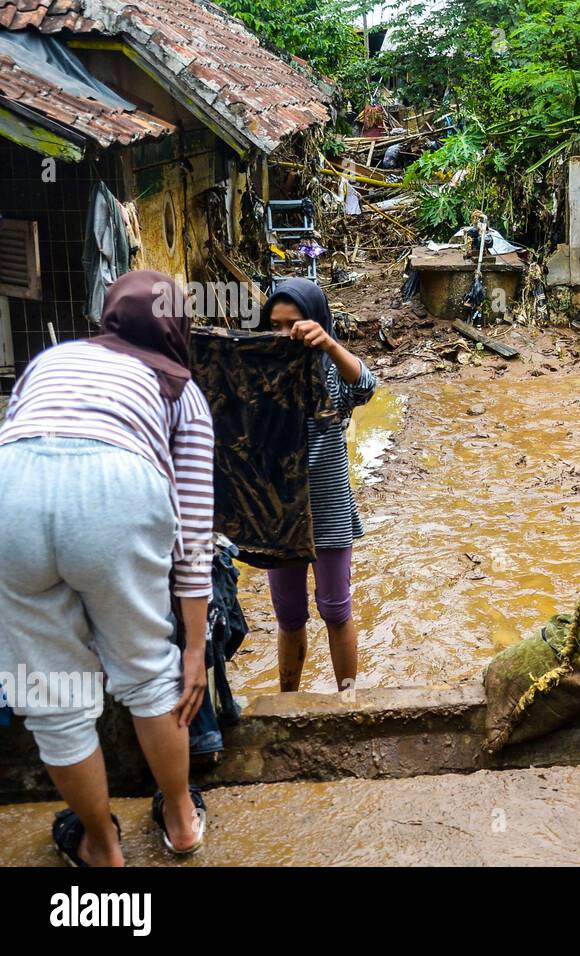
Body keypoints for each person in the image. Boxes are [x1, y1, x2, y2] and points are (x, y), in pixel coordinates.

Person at [0, 270, 213, 866]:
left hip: (10, 491)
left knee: (52, 697)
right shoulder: (181, 392)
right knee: (150, 676)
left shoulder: (51, 359)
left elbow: (20, 432)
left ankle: (101, 846)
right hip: (116, 491)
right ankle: (180, 817)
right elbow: (193, 531)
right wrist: (193, 649)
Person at [260, 278, 376, 692]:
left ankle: (348, 701)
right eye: (274, 325)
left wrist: (328, 344)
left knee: (336, 609)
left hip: (328, 511)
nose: (284, 335)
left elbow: (366, 385)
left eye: (293, 325)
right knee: (288, 615)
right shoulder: (260, 376)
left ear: (316, 323)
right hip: (281, 515)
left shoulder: (328, 372)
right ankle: (288, 699)